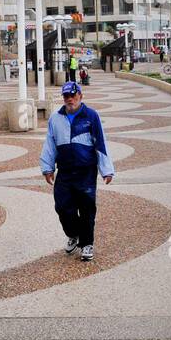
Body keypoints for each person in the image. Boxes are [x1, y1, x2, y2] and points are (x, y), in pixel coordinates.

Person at [40, 81, 114, 262]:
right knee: (62, 207)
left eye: (73, 95)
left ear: (80, 96)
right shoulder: (55, 118)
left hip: (85, 171)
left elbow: (100, 143)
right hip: (64, 171)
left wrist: (106, 169)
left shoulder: (91, 116)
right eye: (66, 96)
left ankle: (87, 243)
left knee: (87, 208)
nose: (70, 99)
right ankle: (74, 234)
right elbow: (50, 144)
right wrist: (47, 167)